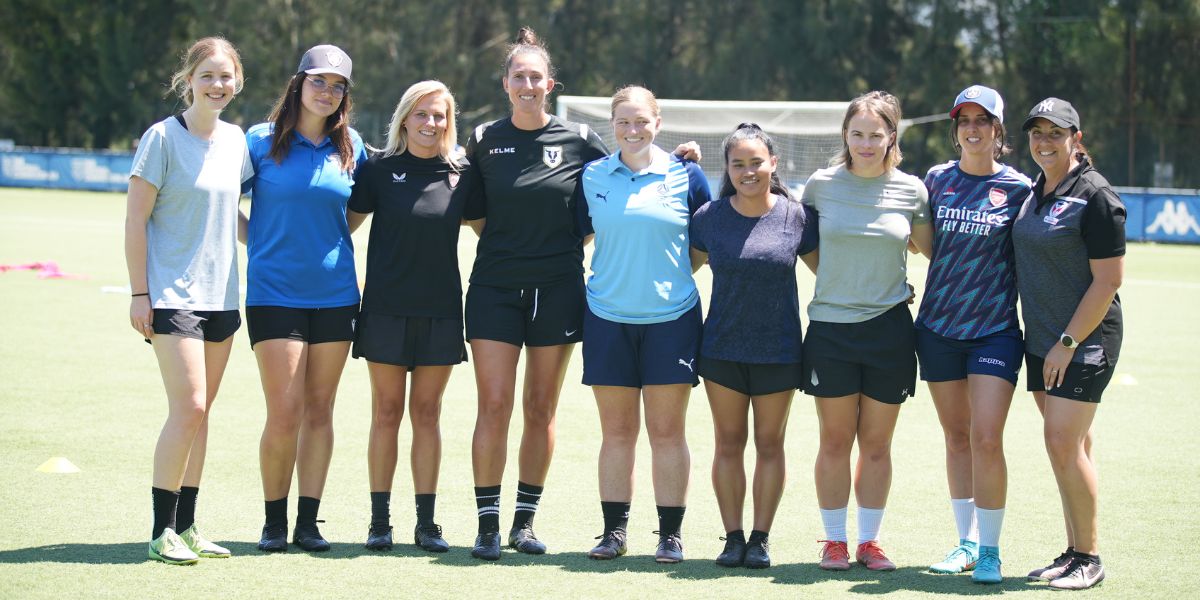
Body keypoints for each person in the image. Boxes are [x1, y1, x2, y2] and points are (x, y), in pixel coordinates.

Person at [461, 28, 699, 561]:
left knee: (540, 407)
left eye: (536, 77)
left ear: (551, 83)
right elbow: (475, 213)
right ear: (506, 83)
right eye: (518, 77)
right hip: (494, 287)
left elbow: (621, 181)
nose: (527, 85)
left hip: (561, 288)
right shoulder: (482, 140)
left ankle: (523, 524)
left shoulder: (582, 142)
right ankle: (486, 523)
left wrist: (682, 154)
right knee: (493, 405)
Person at [125, 36, 252, 564]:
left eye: (226, 77)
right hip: (172, 294)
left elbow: (236, 219)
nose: (217, 85)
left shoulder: (237, 140)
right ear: (189, 80)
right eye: (208, 76)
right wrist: (139, 293)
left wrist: (285, 241)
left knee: (204, 414)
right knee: (190, 407)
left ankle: (189, 526)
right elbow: (135, 220)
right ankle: (161, 530)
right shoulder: (161, 139)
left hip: (223, 295)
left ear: (237, 82)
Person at [576, 86, 711, 564]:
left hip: (672, 320)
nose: (632, 131)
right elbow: (580, 234)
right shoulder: (592, 176)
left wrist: (666, 278)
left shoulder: (686, 174)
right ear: (613, 125)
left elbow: (704, 242)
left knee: (667, 432)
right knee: (616, 433)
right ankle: (614, 533)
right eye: (623, 122)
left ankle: (670, 535)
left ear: (658, 121)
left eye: (641, 122)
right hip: (606, 318)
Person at [242, 44, 367, 553]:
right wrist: (261, 242)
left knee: (321, 411)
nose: (328, 92)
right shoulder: (259, 140)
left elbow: (354, 212)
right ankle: (274, 522)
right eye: (319, 82)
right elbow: (225, 200)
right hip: (274, 294)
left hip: (337, 296)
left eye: (338, 86)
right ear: (298, 84)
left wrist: (331, 240)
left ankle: (308, 522)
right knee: (286, 411)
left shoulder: (351, 143)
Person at [800, 91, 932, 572]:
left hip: (890, 332)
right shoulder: (821, 185)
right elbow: (806, 245)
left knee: (877, 446)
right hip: (831, 331)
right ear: (846, 136)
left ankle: (869, 542)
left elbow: (929, 251)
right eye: (857, 134)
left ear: (891, 136)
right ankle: (834, 541)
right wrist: (840, 280)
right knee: (834, 442)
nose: (866, 143)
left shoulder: (913, 190)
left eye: (876, 134)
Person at [347, 80, 472, 553]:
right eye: (421, 114)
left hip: (440, 312)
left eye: (439, 115)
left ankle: (427, 524)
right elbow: (342, 230)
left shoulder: (461, 173)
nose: (430, 123)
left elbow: (492, 231)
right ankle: (380, 522)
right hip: (384, 310)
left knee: (427, 414)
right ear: (404, 118)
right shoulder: (378, 169)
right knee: (385, 413)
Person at [690, 123, 819, 569]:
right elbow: (682, 271)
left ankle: (760, 538)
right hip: (721, 349)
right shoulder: (709, 217)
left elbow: (830, 274)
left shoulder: (796, 216)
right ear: (726, 168)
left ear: (773, 164)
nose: (748, 172)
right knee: (727, 443)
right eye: (738, 164)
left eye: (756, 163)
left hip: (779, 351)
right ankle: (732, 538)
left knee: (769, 444)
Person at [918, 85, 1032, 584]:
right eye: (964, 120)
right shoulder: (937, 179)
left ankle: (990, 550)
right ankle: (964, 544)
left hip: (995, 332)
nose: (972, 129)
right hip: (939, 327)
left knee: (987, 438)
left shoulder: (1019, 188)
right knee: (956, 437)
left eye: (982, 120)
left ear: (998, 130)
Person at [1013, 98, 1124, 591]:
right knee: (1071, 446)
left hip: (1083, 340)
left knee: (1061, 442)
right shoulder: (1035, 189)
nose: (1044, 141)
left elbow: (1107, 282)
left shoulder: (1096, 195)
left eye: (1055, 133)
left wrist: (1066, 342)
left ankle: (1090, 556)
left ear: (1076, 139)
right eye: (1037, 132)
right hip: (1042, 337)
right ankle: (1074, 548)